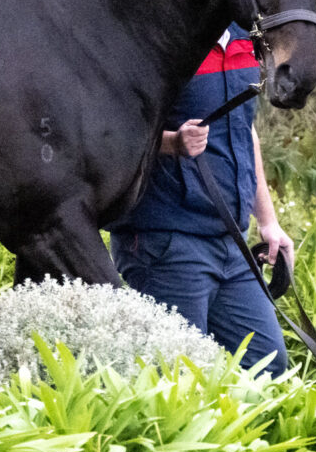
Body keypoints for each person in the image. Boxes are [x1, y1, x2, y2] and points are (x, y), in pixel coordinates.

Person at [106, 23, 293, 375]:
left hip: (231, 244)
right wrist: (170, 143)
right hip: (166, 242)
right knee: (177, 376)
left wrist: (268, 222)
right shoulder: (156, 33)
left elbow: (244, 128)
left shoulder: (243, 38)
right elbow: (109, 127)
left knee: (267, 365)